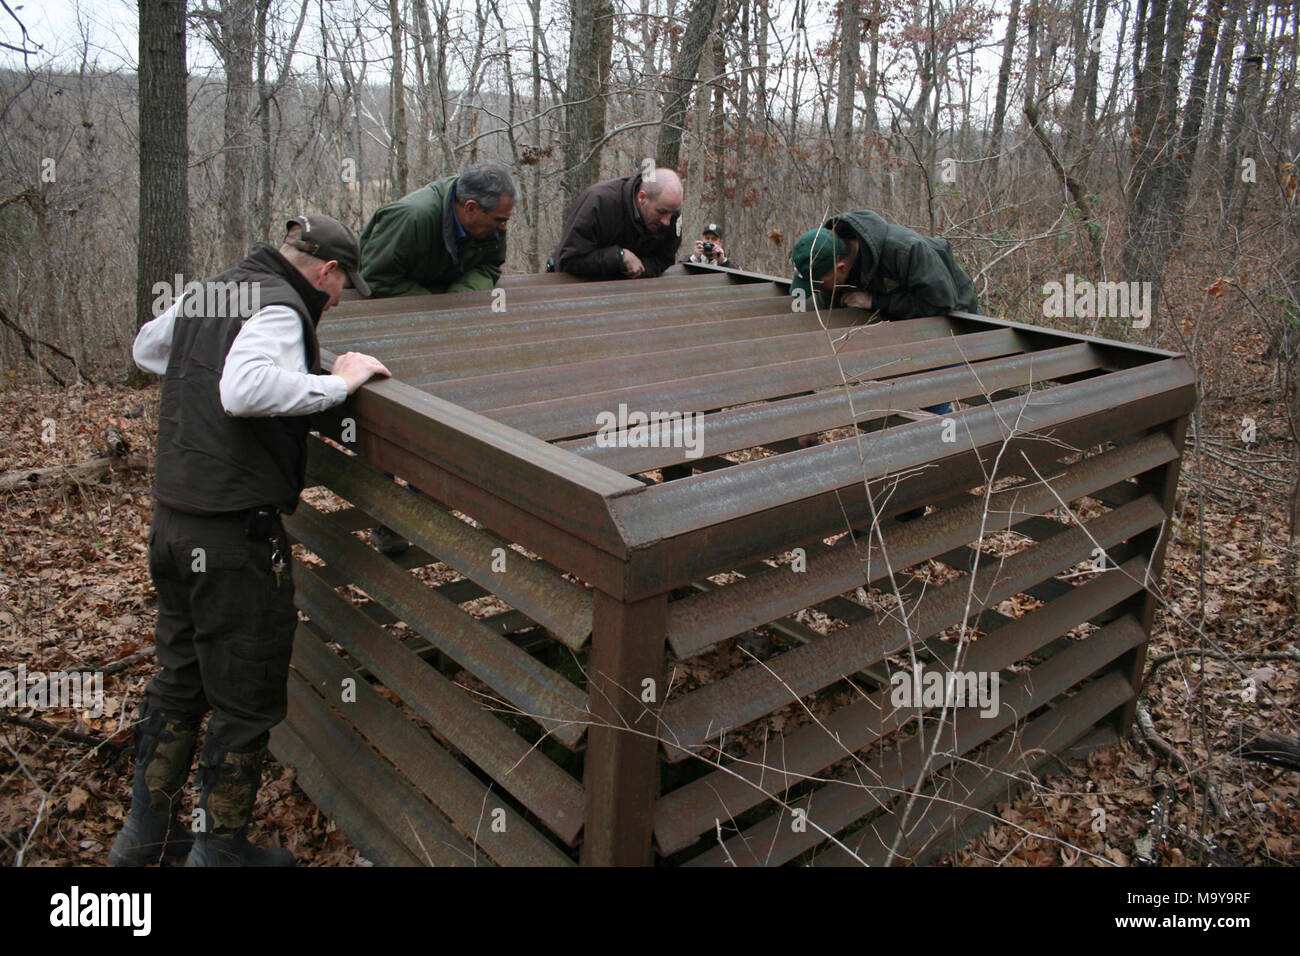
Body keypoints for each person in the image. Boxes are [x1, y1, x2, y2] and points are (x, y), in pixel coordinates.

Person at [114, 215, 390, 867]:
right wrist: (340, 383)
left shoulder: (217, 289)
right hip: (235, 535)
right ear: (327, 272)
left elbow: (149, 350)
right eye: (344, 286)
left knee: (179, 679)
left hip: (173, 524)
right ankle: (221, 849)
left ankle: (143, 834)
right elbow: (244, 390)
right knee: (246, 694)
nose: (339, 300)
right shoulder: (281, 308)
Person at [790, 211, 979, 519]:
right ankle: (886, 504)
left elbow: (942, 307)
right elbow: (822, 344)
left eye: (818, 285)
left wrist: (876, 301)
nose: (817, 292)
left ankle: (908, 509)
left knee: (919, 419)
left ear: (840, 268)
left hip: (952, 323)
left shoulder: (905, 250)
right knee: (887, 412)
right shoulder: (826, 266)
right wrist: (808, 412)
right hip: (901, 329)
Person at [359, 161, 515, 296]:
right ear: (471, 208)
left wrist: (461, 295)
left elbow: (489, 266)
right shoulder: (412, 218)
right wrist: (434, 306)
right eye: (500, 221)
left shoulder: (494, 220)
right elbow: (376, 278)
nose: (504, 228)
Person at [551, 168, 683, 278]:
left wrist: (638, 270)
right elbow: (568, 260)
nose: (667, 222)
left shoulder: (672, 215)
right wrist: (619, 257)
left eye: (672, 213)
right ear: (642, 197)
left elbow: (664, 259)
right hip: (577, 287)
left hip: (631, 290)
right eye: (661, 212)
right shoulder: (599, 202)